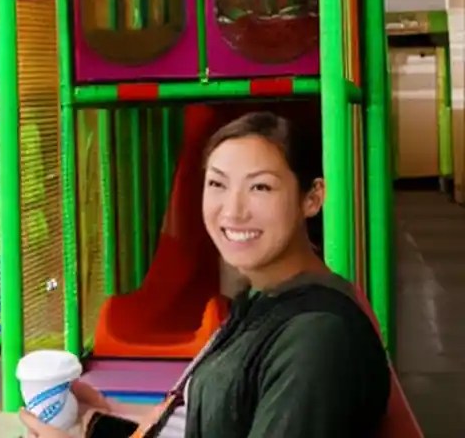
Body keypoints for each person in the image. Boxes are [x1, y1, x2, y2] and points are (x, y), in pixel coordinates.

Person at [21, 111, 390, 437]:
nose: (233, 211)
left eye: (260, 187)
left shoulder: (316, 339)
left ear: (312, 197)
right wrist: (102, 416)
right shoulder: (261, 299)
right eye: (217, 184)